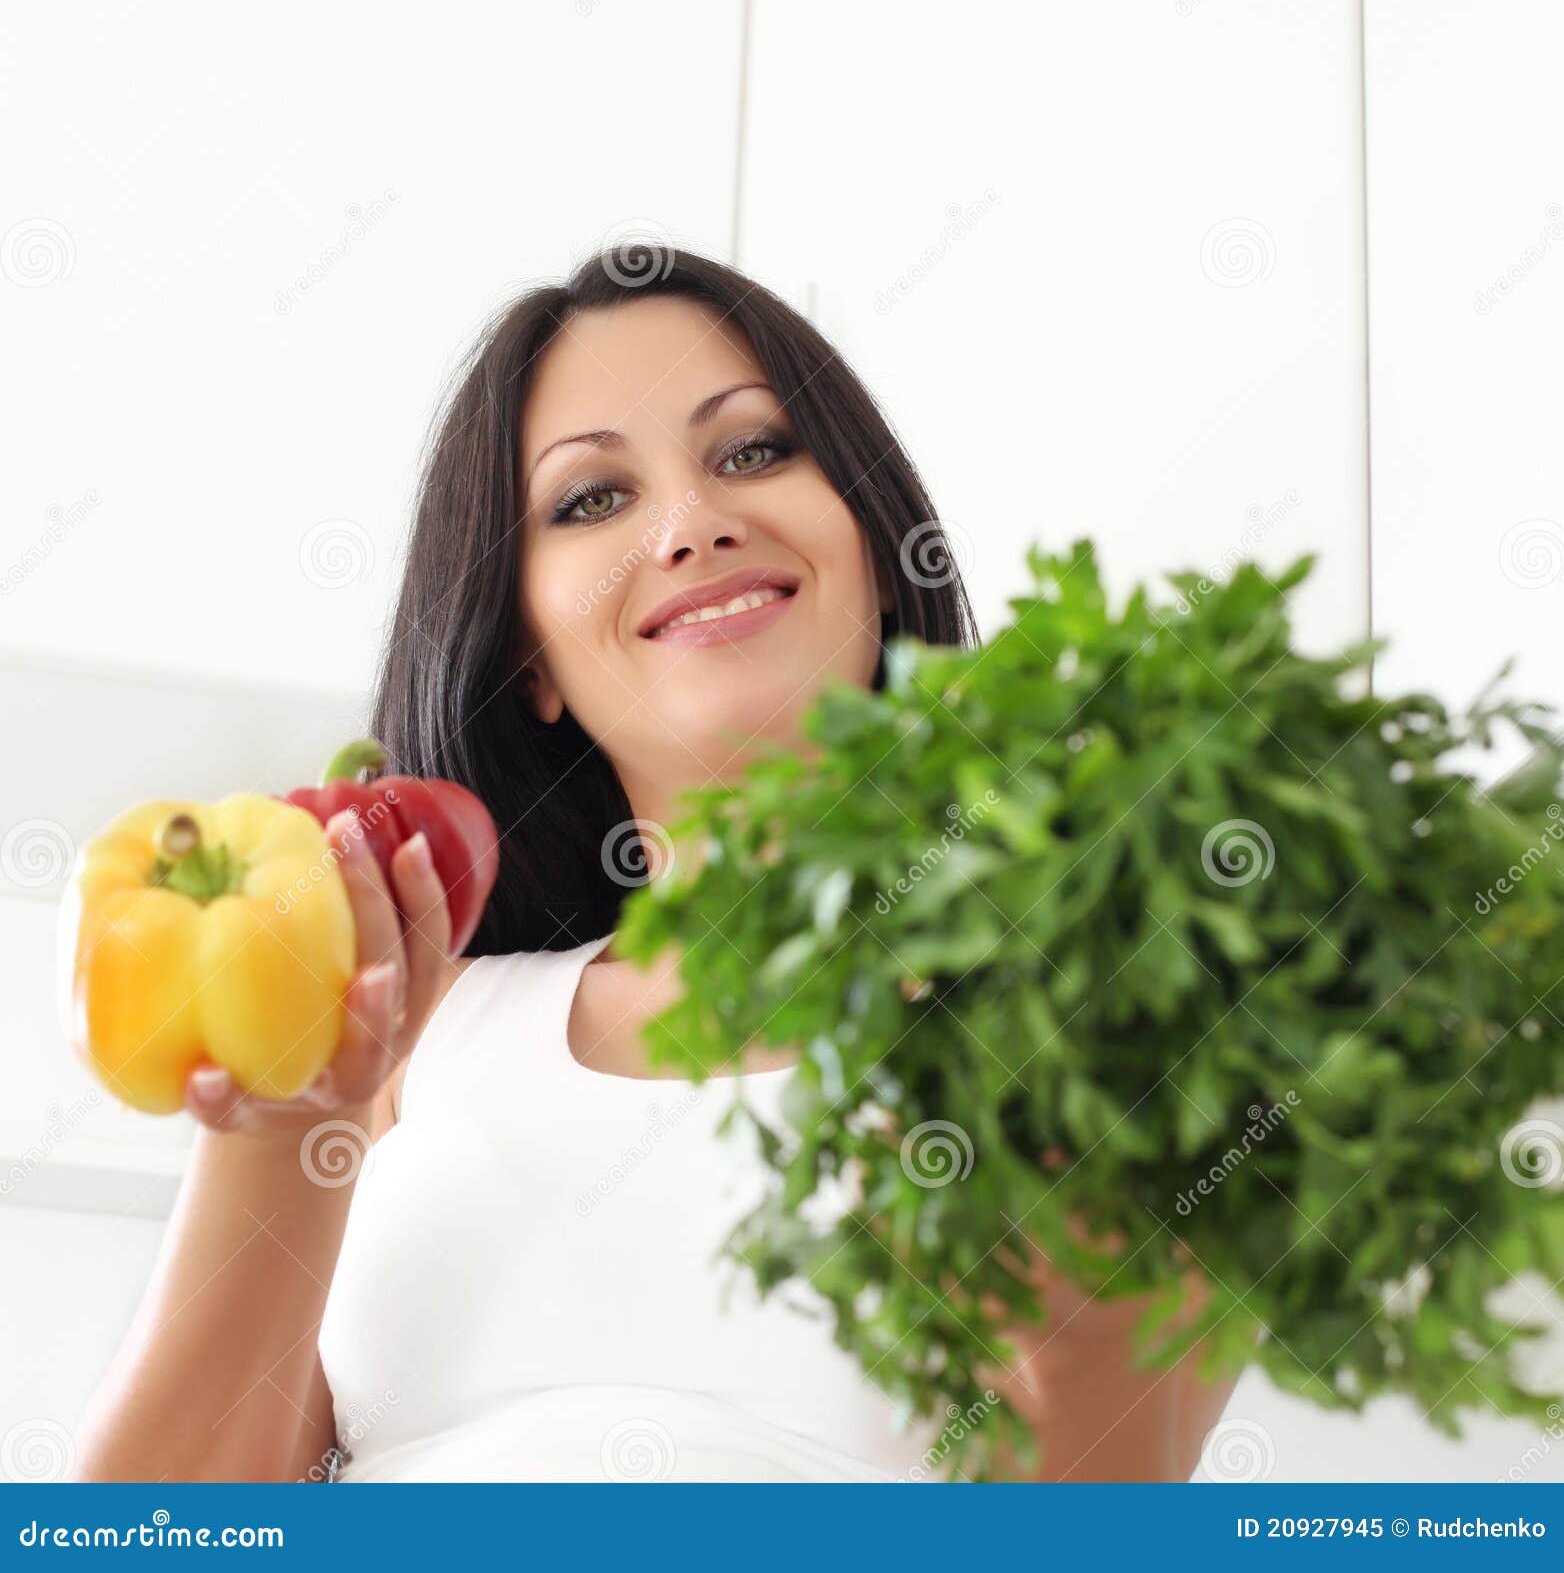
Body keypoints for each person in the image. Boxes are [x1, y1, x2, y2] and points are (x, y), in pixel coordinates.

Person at [73, 245, 1239, 1483]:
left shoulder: (1087, 1020)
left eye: (753, 451)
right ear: (528, 657)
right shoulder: (413, 1033)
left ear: (873, 544)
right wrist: (277, 1119)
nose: (694, 523)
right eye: (589, 500)